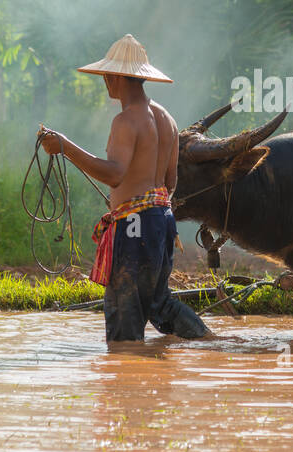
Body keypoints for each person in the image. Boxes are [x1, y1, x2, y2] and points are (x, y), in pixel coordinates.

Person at [39, 34, 211, 342]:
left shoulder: (125, 121)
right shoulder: (167, 120)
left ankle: (126, 382)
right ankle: (213, 343)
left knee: (123, 316)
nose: (105, 80)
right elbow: (170, 182)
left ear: (116, 77)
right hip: (162, 221)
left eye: (107, 75)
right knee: (160, 305)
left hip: (134, 227)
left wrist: (65, 146)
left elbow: (115, 174)